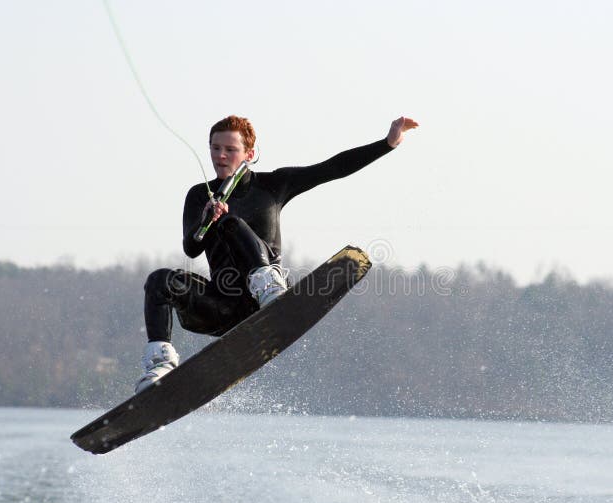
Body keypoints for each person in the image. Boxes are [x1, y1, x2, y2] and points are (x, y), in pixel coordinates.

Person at [135, 115, 419, 393]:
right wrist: (206, 220)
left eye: (230, 150)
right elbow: (191, 248)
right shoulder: (200, 196)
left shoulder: (273, 185)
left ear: (249, 153)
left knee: (231, 221)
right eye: (215, 148)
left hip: (265, 302)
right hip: (220, 308)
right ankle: (160, 368)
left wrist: (387, 143)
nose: (221, 156)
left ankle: (268, 289)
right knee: (160, 280)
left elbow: (331, 168)